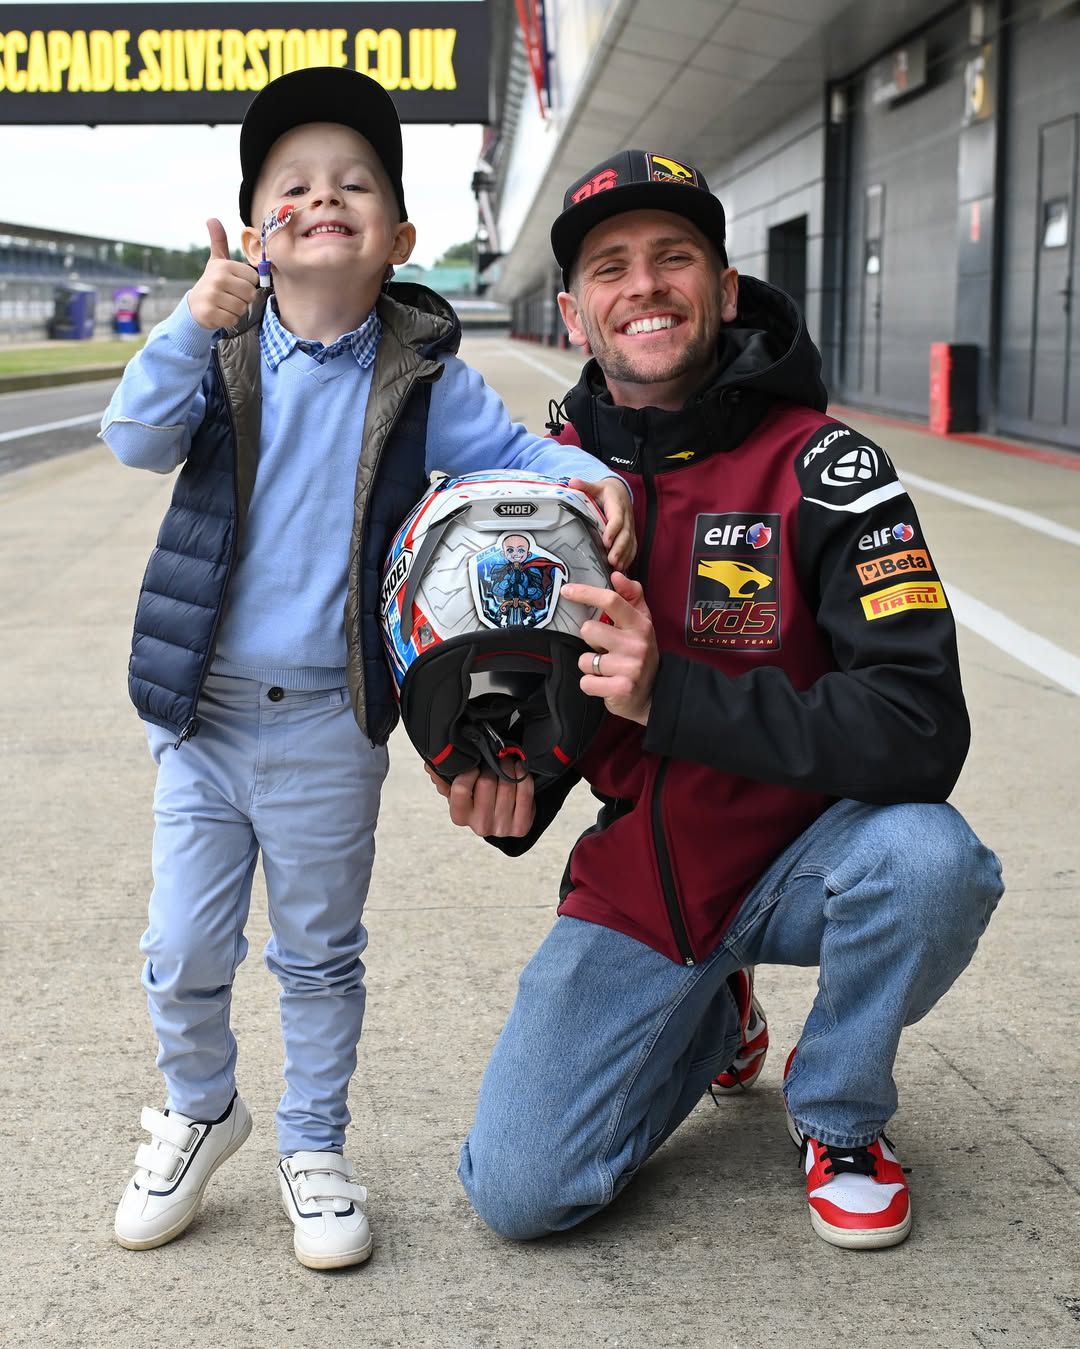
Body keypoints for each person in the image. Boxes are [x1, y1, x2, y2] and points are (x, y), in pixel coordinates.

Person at [101, 69, 633, 1271]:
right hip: (202, 715)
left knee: (318, 949)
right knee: (183, 944)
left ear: (396, 237)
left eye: (355, 184)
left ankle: (314, 1141)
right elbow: (134, 439)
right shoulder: (224, 347)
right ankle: (200, 1108)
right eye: (292, 186)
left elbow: (523, 460)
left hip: (330, 722)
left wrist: (600, 479)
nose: (322, 197)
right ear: (255, 231)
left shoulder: (428, 378)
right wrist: (193, 317)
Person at [436, 150, 1004, 1250]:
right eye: (612, 267)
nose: (643, 284)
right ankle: (712, 1012)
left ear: (726, 288)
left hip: (820, 853)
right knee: (521, 1193)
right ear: (575, 310)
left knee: (933, 858)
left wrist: (675, 694)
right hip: (656, 869)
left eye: (673, 257)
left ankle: (837, 1109)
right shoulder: (548, 487)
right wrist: (506, 778)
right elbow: (546, 699)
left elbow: (924, 728)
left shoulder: (830, 467)